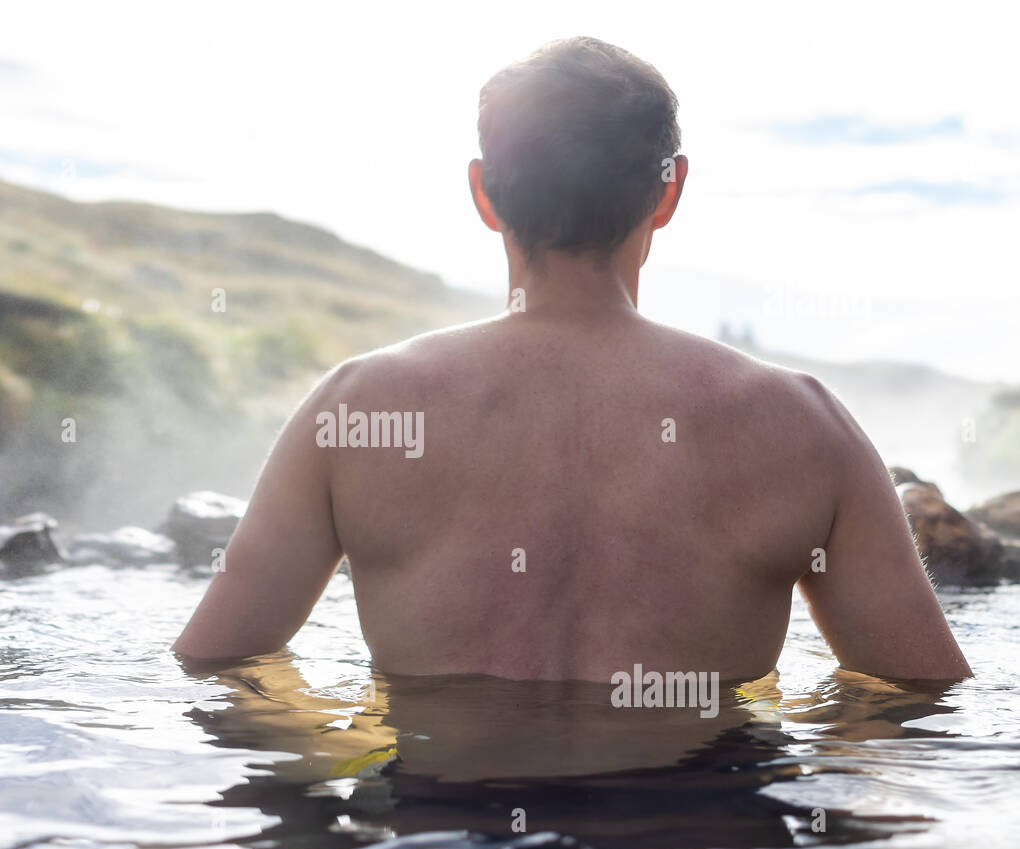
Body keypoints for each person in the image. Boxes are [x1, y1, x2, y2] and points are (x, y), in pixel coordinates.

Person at [174, 37, 972, 683]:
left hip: (436, 829)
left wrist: (335, 770)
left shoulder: (358, 410)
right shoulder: (803, 425)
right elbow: (922, 705)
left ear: (484, 193)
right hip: (709, 830)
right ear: (669, 191)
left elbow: (217, 669)